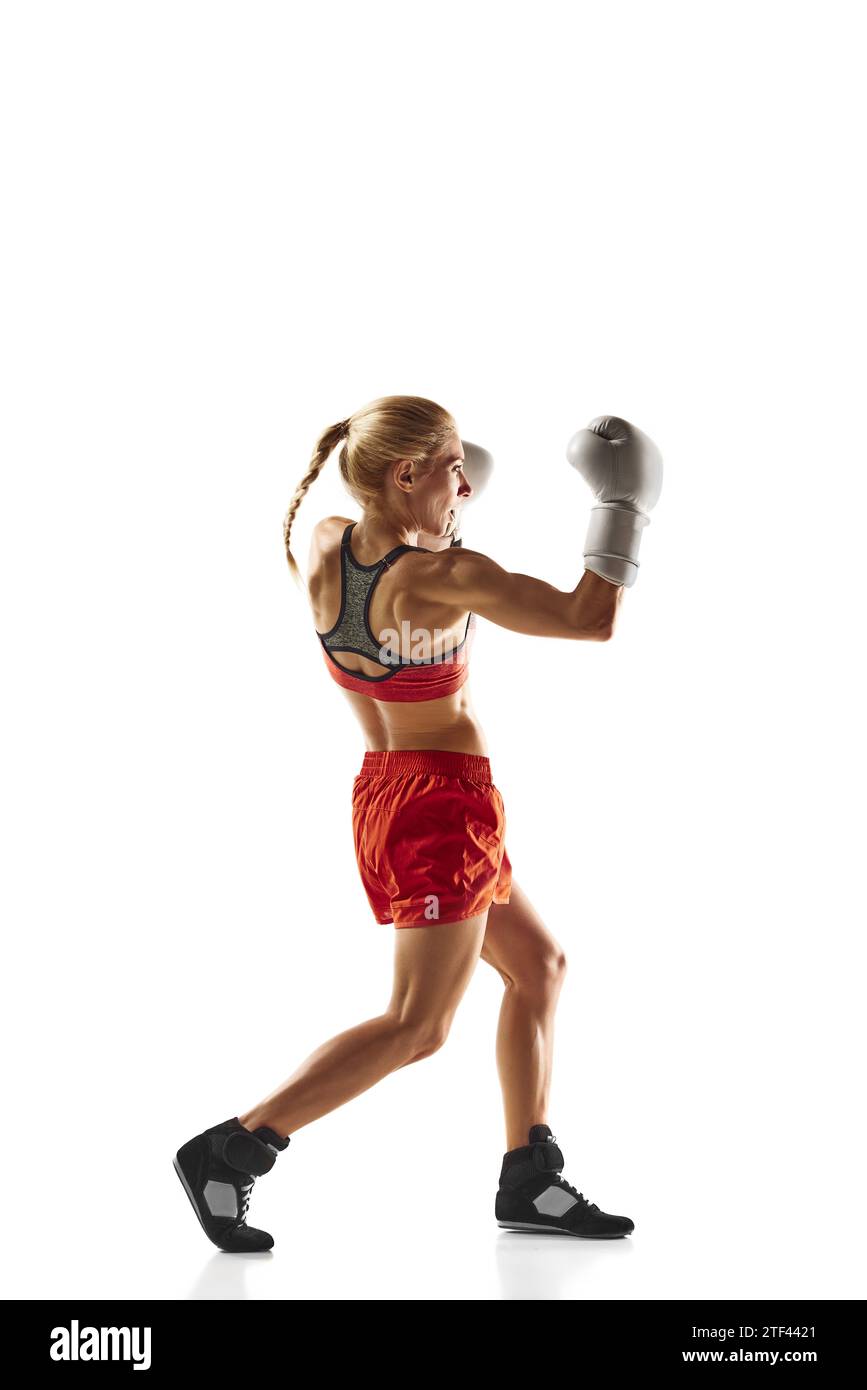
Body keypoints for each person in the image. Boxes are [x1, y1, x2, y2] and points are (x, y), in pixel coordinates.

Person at [173, 395, 662, 1251]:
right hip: (441, 807)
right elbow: (591, 619)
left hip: (389, 788)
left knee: (538, 966)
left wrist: (432, 507)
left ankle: (530, 1181)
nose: (466, 483)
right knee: (419, 1024)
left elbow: (402, 557)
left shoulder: (328, 540)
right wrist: (622, 505)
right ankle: (234, 1151)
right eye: (450, 469)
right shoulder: (445, 580)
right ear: (404, 473)